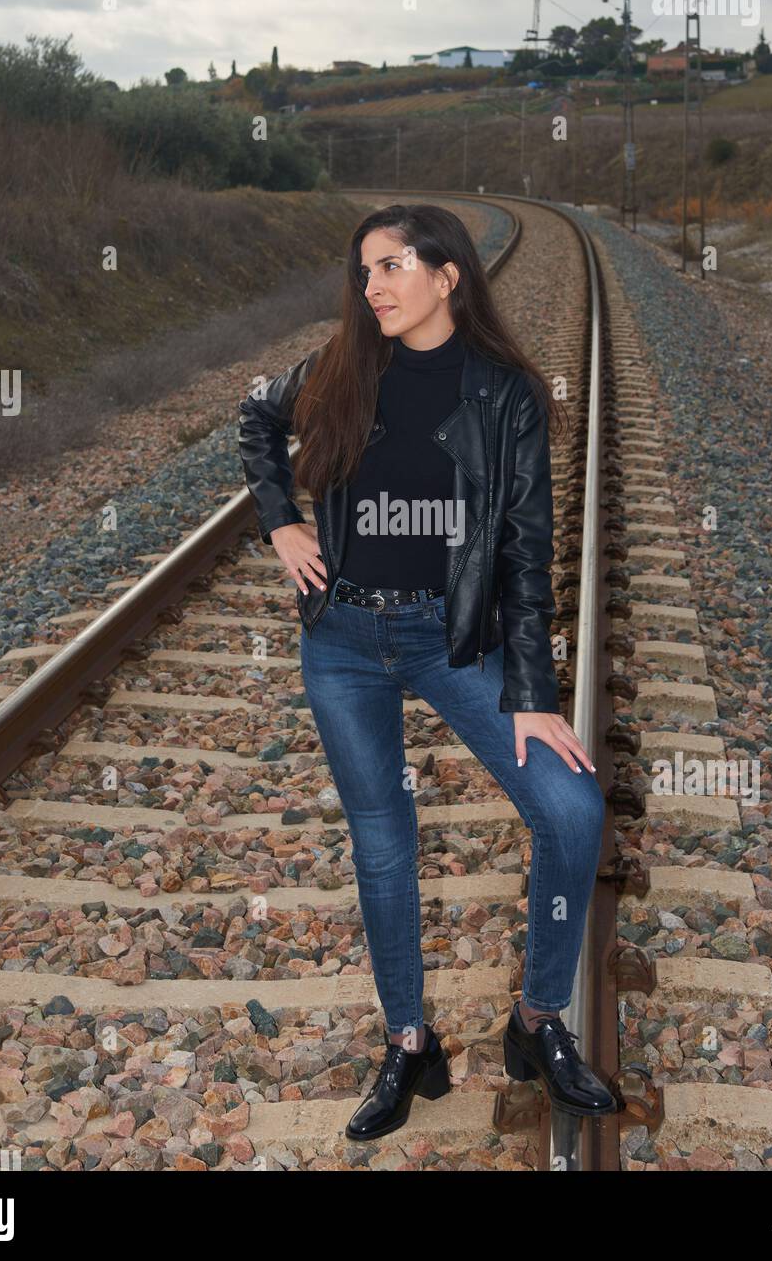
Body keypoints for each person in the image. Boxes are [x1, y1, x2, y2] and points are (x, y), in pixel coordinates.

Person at [237, 203, 613, 1142]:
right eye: (363, 271)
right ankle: (409, 1043)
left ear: (448, 275)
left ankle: (535, 1022)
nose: (373, 288)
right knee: (381, 843)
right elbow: (254, 413)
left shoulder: (506, 394)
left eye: (392, 266)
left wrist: (531, 694)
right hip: (343, 644)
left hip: (453, 642)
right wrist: (280, 518)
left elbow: (528, 557)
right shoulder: (339, 371)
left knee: (570, 810)